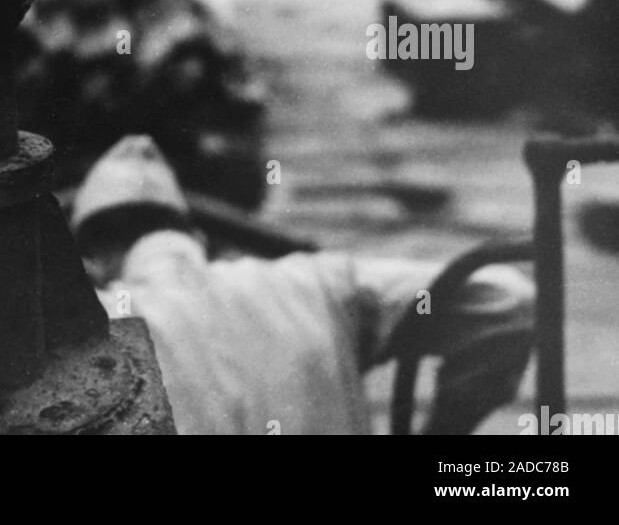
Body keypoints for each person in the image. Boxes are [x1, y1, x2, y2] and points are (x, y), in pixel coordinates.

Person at [71, 135, 534, 436]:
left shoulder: (90, 330)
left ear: (90, 262)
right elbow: (505, 298)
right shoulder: (318, 283)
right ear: (198, 238)